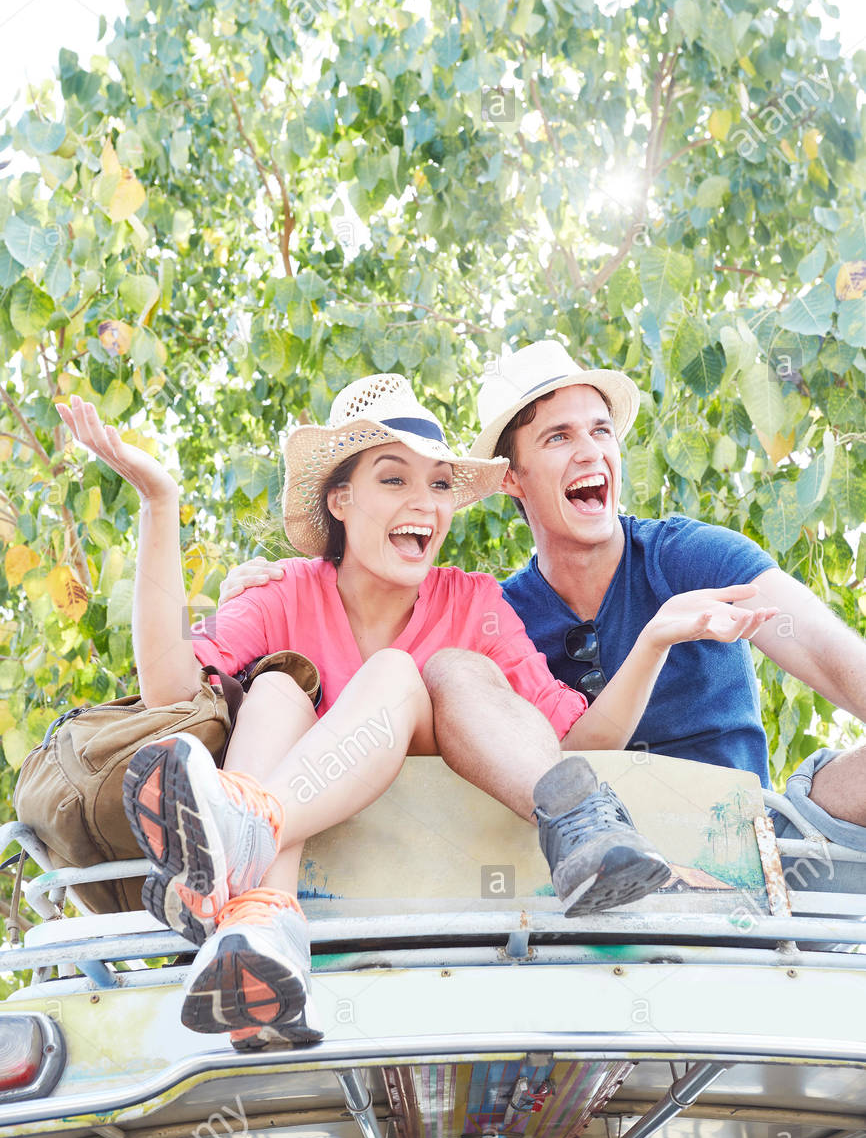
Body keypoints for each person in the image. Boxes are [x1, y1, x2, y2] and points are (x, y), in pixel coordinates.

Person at [57, 373, 772, 1049]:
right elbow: (169, 692)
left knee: (414, 671)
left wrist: (652, 640)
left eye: (438, 485)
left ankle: (248, 832)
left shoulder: (471, 603)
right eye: (393, 479)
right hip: (331, 886)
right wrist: (159, 502)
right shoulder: (282, 594)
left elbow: (576, 739)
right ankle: (260, 927)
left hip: (446, 864)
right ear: (340, 501)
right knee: (276, 688)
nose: (424, 503)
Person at [225, 343, 866, 886]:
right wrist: (254, 598)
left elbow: (827, 657)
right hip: (555, 876)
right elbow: (405, 722)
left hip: (738, 839)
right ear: (512, 478)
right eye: (558, 436)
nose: (589, 451)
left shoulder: (691, 556)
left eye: (600, 430)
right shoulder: (500, 617)